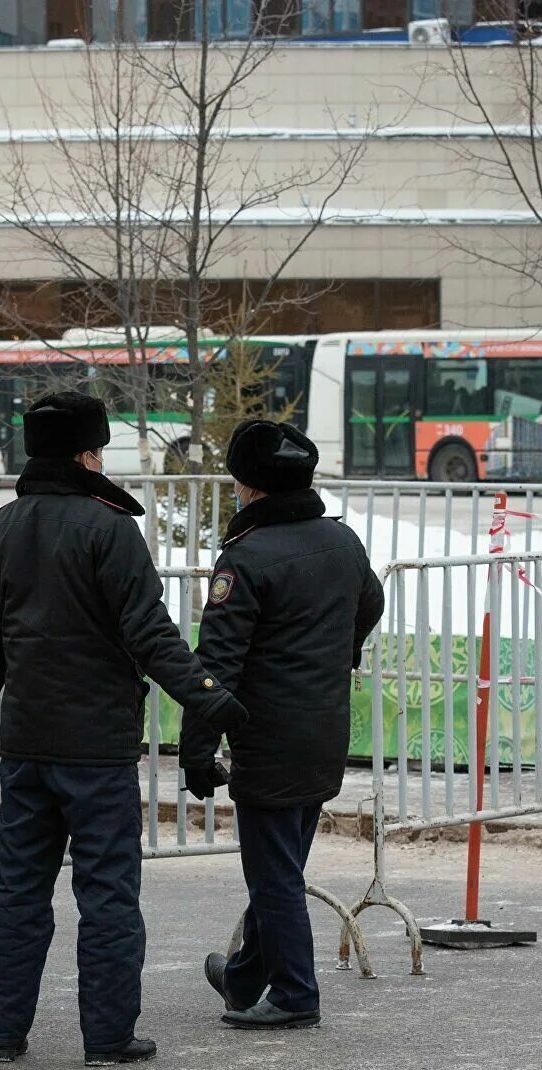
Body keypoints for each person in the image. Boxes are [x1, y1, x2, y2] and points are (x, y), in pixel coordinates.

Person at [0, 391, 248, 1067]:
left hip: (26, 744)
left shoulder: (0, 528)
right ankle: (109, 1038)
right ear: (87, 454)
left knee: (17, 893)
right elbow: (149, 634)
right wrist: (208, 696)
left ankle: (2, 1035)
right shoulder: (109, 529)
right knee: (108, 895)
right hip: (99, 750)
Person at [180, 419, 385, 1031]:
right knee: (282, 868)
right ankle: (244, 977)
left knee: (273, 878)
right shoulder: (340, 542)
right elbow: (369, 604)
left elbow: (215, 668)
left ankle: (296, 993)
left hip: (268, 738)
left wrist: (196, 752)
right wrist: (335, 655)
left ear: (247, 486)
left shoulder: (245, 561)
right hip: (324, 729)